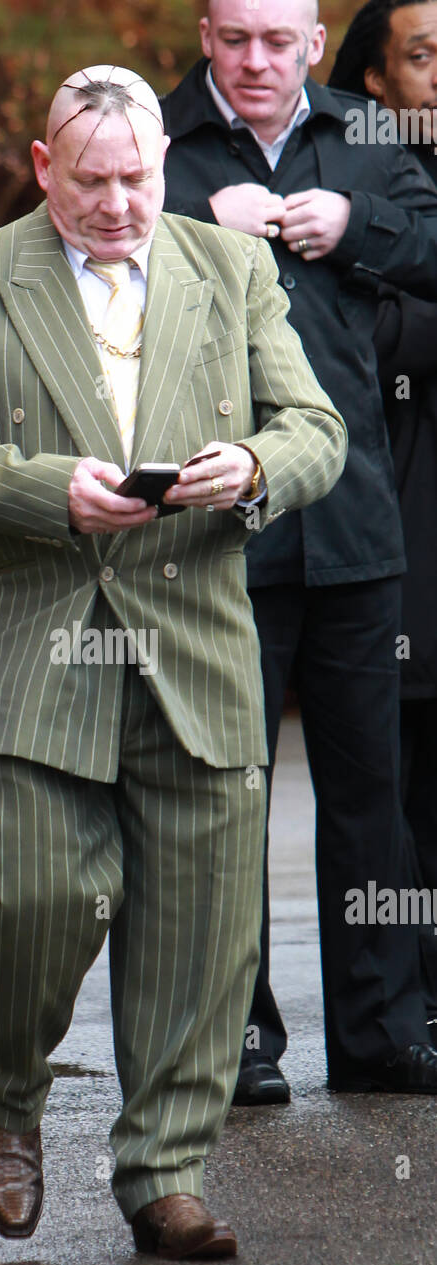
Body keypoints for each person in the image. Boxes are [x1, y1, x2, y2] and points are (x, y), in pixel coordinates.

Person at [0, 64, 346, 1260]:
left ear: (162, 166)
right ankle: (11, 1098)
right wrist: (50, 492)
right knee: (33, 897)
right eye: (87, 179)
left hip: (199, 651)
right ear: (46, 168)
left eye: (135, 177)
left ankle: (164, 1173)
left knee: (200, 934)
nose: (114, 202)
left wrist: (249, 469)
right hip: (40, 656)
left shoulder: (234, 267)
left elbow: (316, 429)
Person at [160, 0, 437, 1102]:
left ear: (317, 43)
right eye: (237, 39)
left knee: (371, 796)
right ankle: (233, 1037)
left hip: (360, 525)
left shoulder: (370, 136)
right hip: (223, 524)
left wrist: (354, 225)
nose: (259, 62)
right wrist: (196, 227)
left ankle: (381, 1034)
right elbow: (87, 240)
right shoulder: (160, 141)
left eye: (281, 41)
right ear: (205, 35)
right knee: (225, 795)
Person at [329, 0, 437, 1044]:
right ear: (376, 86)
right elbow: (374, 334)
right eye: (423, 55)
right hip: (400, 517)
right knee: (402, 774)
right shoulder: (356, 178)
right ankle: (406, 1007)